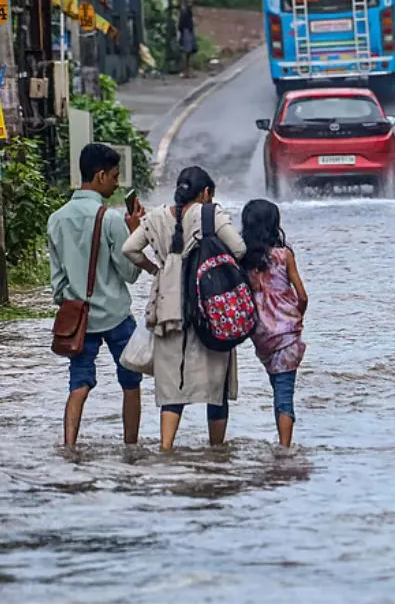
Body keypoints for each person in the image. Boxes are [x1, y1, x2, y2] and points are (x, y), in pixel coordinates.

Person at [122, 166, 246, 452]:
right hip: (208, 304)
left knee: (171, 386)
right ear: (205, 193)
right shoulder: (210, 215)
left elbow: (130, 249)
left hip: (168, 307)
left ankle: (166, 449)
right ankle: (217, 453)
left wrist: (157, 269)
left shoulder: (154, 218)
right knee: (216, 388)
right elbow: (238, 249)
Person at [48, 143, 152, 449]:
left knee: (78, 383)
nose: (117, 183)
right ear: (100, 174)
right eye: (115, 176)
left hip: (79, 318)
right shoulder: (109, 219)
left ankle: (69, 448)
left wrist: (73, 302)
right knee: (131, 382)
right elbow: (129, 273)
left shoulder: (57, 219)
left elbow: (57, 281)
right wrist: (134, 232)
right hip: (116, 316)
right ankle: (130, 448)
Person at [241, 199, 308, 449]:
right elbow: (302, 296)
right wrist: (295, 316)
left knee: (276, 385)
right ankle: (284, 447)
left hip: (260, 335)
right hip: (286, 334)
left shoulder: (244, 259)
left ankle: (282, 443)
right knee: (284, 392)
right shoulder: (284, 256)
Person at [178, 0, 197, 79]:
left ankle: (188, 71)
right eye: (189, 2)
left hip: (189, 31)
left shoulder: (188, 11)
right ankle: (185, 72)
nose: (191, 4)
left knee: (190, 52)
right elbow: (181, 24)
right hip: (186, 32)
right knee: (187, 52)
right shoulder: (184, 11)